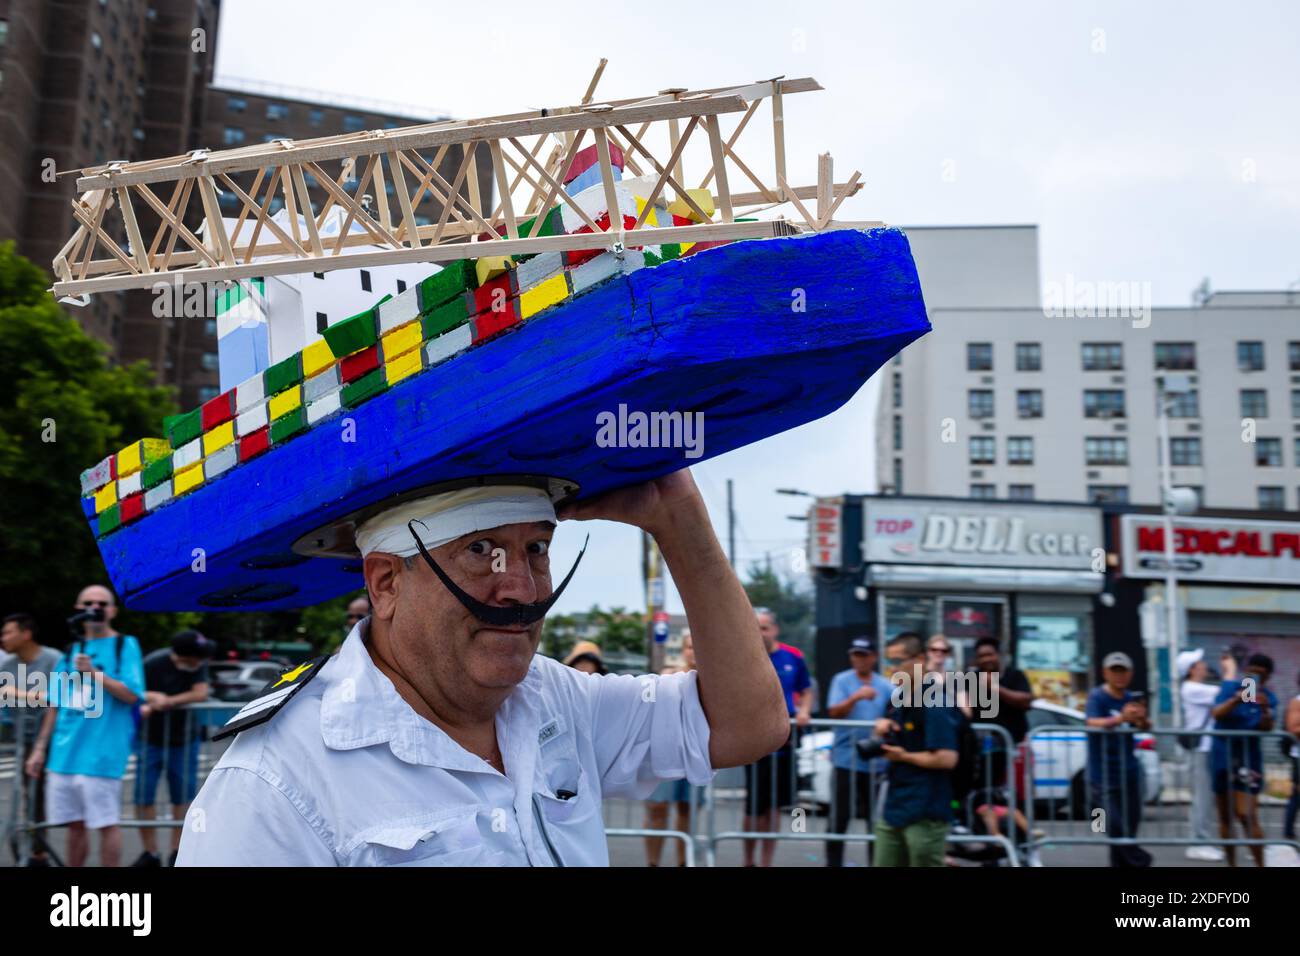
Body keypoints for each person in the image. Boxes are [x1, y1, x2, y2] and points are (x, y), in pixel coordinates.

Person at [176, 471, 789, 865]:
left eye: (536, 549)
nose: (518, 588)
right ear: (386, 584)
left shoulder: (555, 700)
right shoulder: (272, 783)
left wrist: (676, 515)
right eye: (480, 551)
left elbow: (748, 724)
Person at [25, 586, 145, 868]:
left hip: (101, 755)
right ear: (79, 610)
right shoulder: (70, 651)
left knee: (106, 824)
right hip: (64, 755)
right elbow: (55, 704)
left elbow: (131, 695)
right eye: (88, 603)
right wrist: (40, 750)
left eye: (102, 603)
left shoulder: (124, 645)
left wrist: (94, 673)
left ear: (113, 610)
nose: (95, 607)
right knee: (74, 827)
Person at [870, 632, 959, 867]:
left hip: (925, 808)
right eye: (889, 661)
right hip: (895, 804)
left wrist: (904, 756)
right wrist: (881, 731)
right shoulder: (898, 700)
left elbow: (947, 758)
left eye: (899, 661)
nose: (892, 668)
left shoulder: (935, 701)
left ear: (919, 660)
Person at [131, 629, 215, 867]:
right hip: (150, 739)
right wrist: (151, 696)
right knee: (143, 795)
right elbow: (133, 690)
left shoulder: (197, 665)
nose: (202, 661)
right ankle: (150, 852)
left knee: (183, 797)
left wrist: (166, 702)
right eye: (197, 657)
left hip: (184, 739)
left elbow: (200, 693)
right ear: (182, 656)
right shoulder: (153, 663)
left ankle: (177, 851)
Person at [741, 607, 812, 867]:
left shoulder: (793, 656)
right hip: (754, 741)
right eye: (756, 627)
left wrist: (804, 711)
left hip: (785, 740)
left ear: (774, 629)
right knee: (753, 806)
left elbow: (806, 689)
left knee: (775, 806)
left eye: (764, 627)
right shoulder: (744, 657)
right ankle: (747, 860)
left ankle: (766, 862)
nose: (760, 633)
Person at [1, 613, 62, 865]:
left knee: (44, 796)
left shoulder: (53, 659)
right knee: (31, 796)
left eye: (8, 632)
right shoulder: (7, 666)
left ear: (26, 634)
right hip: (24, 740)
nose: (3, 638)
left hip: (56, 739)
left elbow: (57, 698)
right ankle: (36, 850)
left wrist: (16, 693)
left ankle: (38, 849)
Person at [824, 636, 891, 866]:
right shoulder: (841, 680)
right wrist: (855, 697)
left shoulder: (885, 685)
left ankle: (876, 862)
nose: (858, 660)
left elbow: (895, 716)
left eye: (863, 655)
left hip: (875, 762)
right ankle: (833, 863)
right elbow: (833, 712)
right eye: (855, 655)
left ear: (874, 657)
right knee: (839, 818)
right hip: (845, 759)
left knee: (875, 820)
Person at [970, 636, 1037, 864]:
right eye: (981, 656)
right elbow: (966, 710)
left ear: (999, 655)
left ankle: (1026, 851)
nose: (986, 660)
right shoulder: (972, 678)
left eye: (989, 654)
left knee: (1014, 801)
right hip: (983, 755)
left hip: (1013, 751)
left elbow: (1026, 701)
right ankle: (992, 852)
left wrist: (996, 688)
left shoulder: (1014, 675)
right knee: (984, 802)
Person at [1084, 652, 1152, 868]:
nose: (1119, 676)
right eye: (1115, 671)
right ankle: (1142, 861)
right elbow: (1091, 722)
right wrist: (1120, 718)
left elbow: (1145, 726)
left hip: (1129, 772)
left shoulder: (1130, 698)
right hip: (1102, 775)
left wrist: (1141, 719)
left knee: (1128, 829)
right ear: (1105, 673)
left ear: (1130, 674)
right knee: (1112, 825)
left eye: (1123, 672)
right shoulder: (1097, 696)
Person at [1211, 653, 1277, 867]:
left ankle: (1260, 864)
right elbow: (1216, 713)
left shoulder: (1268, 697)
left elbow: (1266, 727)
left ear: (1267, 677)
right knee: (1226, 818)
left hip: (1249, 760)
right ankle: (1232, 864)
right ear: (1245, 670)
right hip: (1223, 757)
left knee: (1246, 815)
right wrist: (1236, 699)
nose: (1254, 676)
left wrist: (1265, 709)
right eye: (1251, 671)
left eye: (1260, 674)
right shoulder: (1230, 687)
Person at [644, 630, 698, 866]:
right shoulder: (669, 675)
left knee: (687, 810)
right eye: (689, 647)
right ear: (683, 650)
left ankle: (683, 863)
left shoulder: (714, 680)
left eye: (698, 646)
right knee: (658, 809)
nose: (693, 652)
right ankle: (653, 863)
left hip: (695, 754)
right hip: (664, 751)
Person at [1179, 648, 1229, 862]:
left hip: (1209, 748)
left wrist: (1249, 683)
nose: (1205, 665)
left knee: (1207, 798)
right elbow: (1234, 694)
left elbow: (1247, 697)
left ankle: (1203, 840)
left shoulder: (1199, 688)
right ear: (1192, 669)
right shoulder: (1191, 688)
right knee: (1202, 798)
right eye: (1200, 662)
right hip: (1201, 750)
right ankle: (1199, 843)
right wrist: (1231, 670)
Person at [1285, 669, 1300, 844]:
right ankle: (1288, 833)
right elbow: (1293, 728)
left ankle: (1288, 832)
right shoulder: (1297, 702)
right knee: (1297, 795)